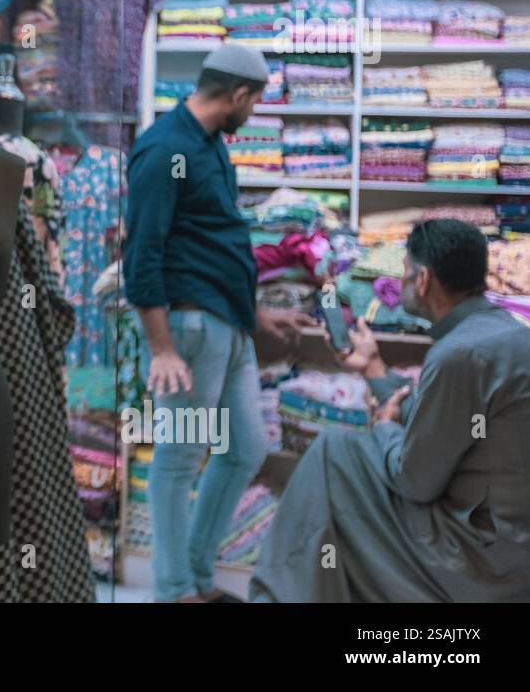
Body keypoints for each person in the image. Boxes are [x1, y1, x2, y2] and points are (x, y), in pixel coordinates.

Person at [250, 219, 530, 601]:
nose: (401, 282)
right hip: (512, 548)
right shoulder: (511, 334)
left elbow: (414, 481)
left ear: (423, 280)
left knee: (335, 452)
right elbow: (445, 418)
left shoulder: (457, 354)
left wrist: (386, 427)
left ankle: (276, 595)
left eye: (404, 271)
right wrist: (373, 369)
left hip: (472, 556)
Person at [124, 44, 303, 603]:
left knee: (245, 448)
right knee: (179, 458)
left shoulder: (208, 144)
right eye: (255, 102)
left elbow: (216, 240)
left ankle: (198, 577)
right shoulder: (164, 149)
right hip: (188, 330)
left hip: (229, 328)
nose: (253, 113)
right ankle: (176, 591)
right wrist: (162, 347)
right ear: (239, 94)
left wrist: (257, 314)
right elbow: (141, 253)